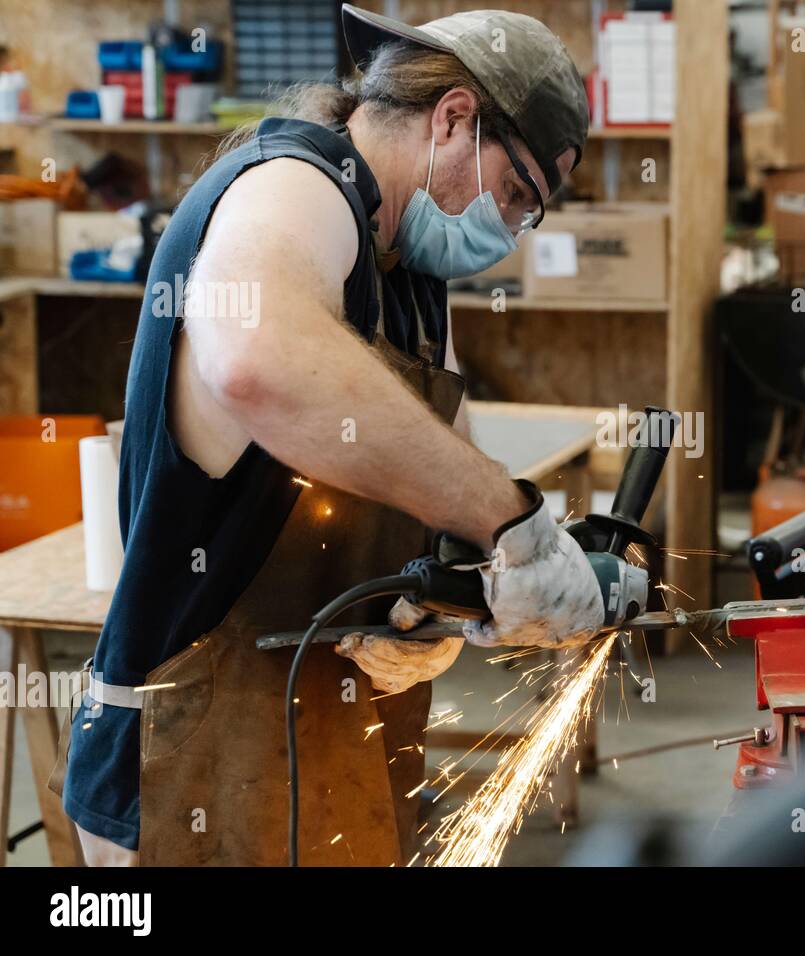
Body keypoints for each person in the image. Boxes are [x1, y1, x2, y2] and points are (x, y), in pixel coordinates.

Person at [59, 5, 625, 867]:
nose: (508, 235)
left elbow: (433, 492)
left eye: (527, 216)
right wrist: (515, 523)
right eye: (515, 194)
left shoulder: (409, 273)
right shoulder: (294, 187)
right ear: (455, 118)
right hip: (188, 775)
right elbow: (260, 357)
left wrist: (439, 615)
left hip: (321, 763)